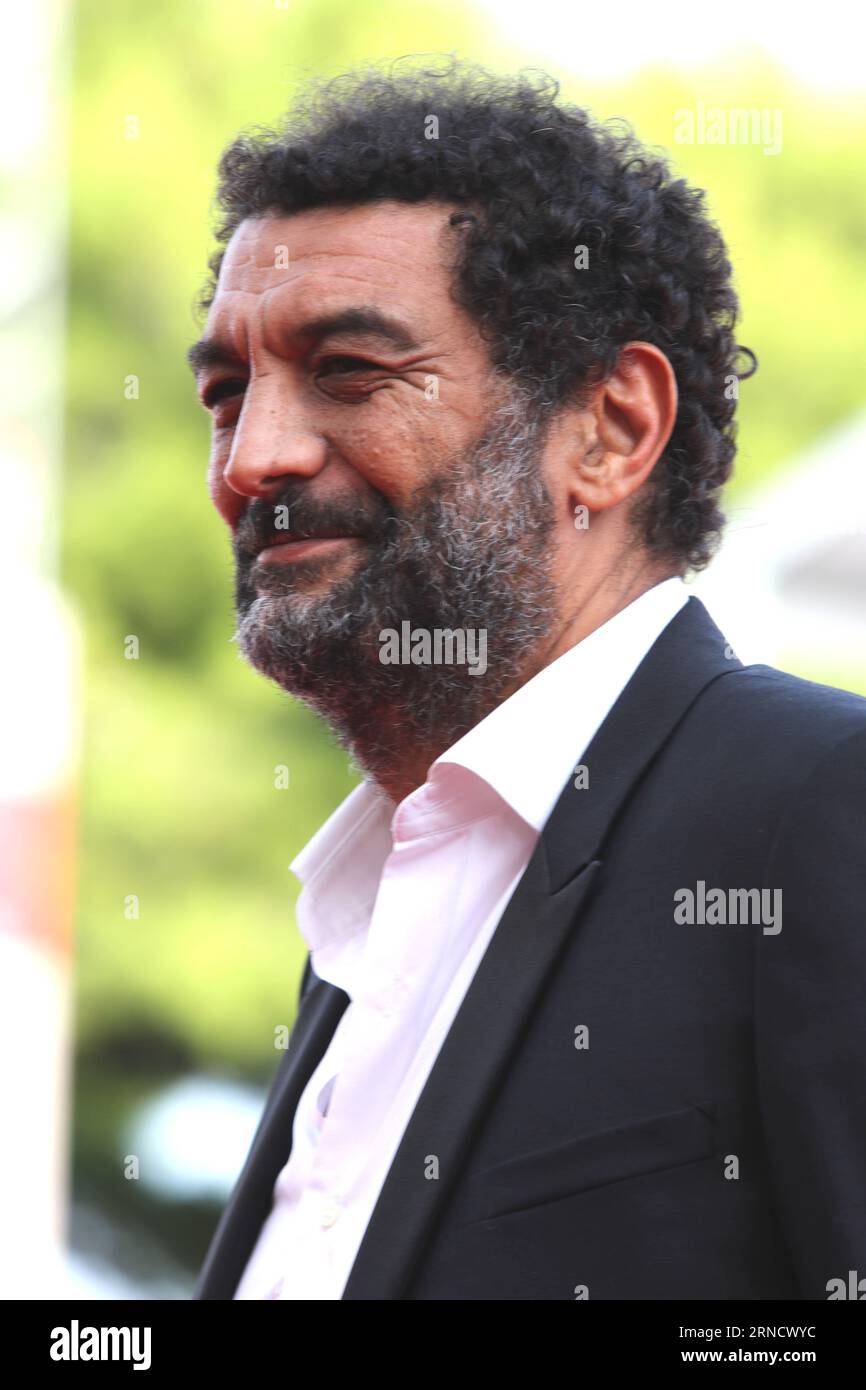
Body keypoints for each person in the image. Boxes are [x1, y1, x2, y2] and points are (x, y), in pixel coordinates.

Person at [189, 59, 866, 1300]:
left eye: (349, 370)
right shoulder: (370, 914)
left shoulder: (818, 809)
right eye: (226, 393)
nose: (254, 459)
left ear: (607, 429)